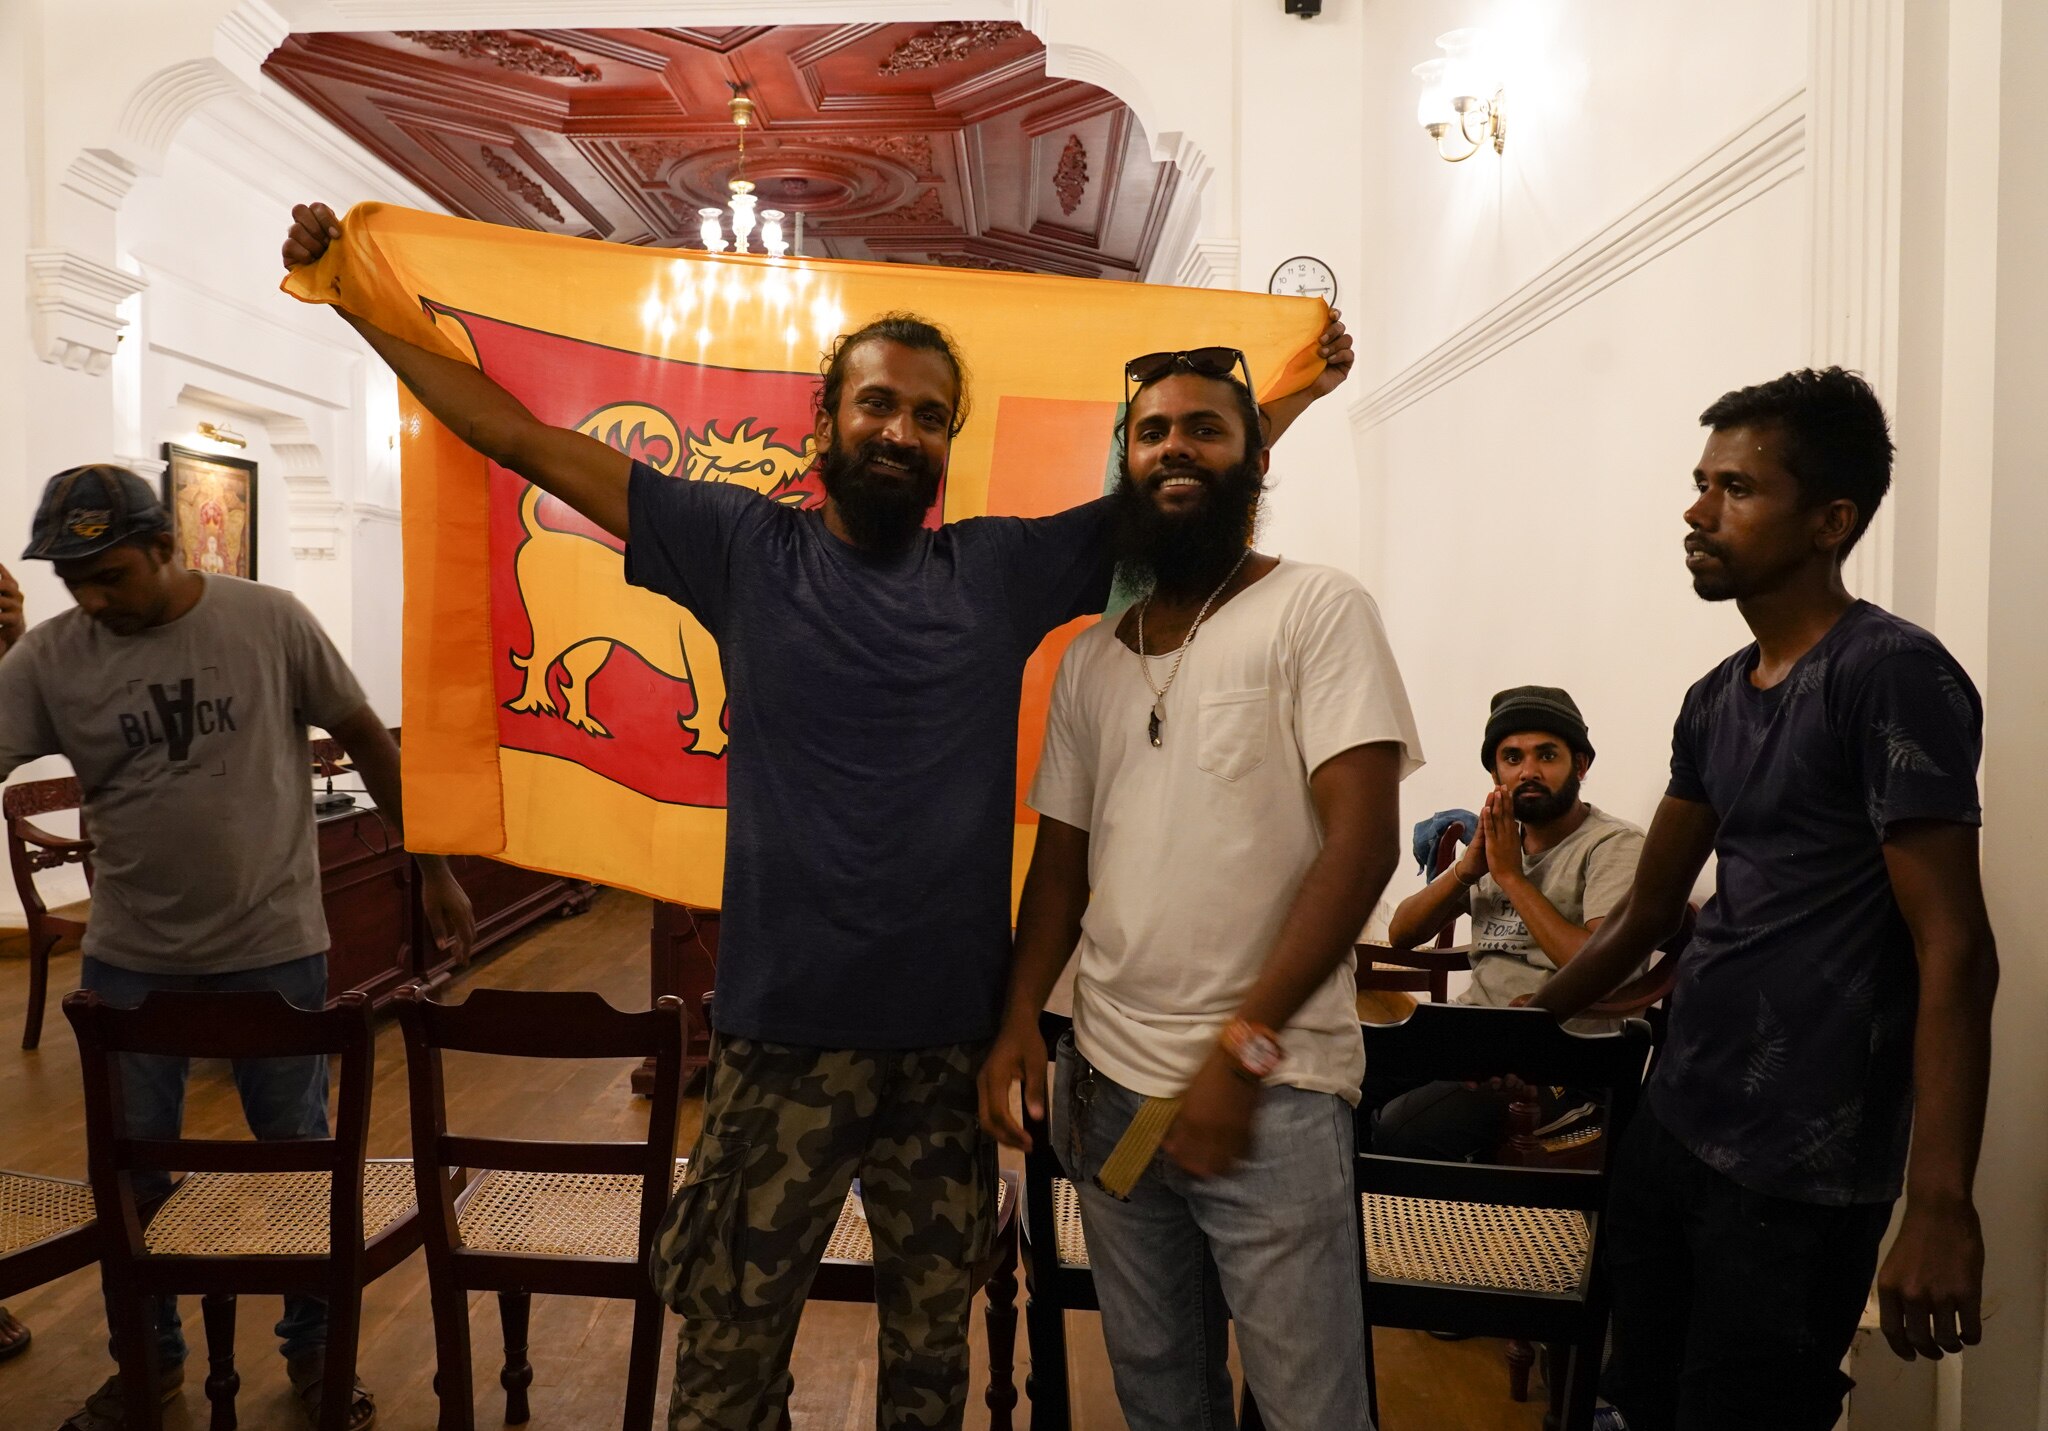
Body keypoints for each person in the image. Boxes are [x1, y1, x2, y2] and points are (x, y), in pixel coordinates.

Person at [281, 201, 1353, 1430]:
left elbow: (1186, 473)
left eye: (927, 414)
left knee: (928, 1378)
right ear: (828, 421)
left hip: (948, 1056)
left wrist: (1294, 396)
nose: (900, 430)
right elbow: (519, 438)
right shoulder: (739, 546)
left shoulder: (997, 569)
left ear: (950, 437)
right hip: (778, 1040)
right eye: (877, 405)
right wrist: (359, 300)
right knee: (727, 1373)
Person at [1530, 369, 1997, 1431]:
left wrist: (1936, 1203)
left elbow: (1954, 951)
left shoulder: (1890, 676)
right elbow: (1646, 915)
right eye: (1699, 484)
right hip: (1675, 1120)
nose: (1696, 513)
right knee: (1630, 1402)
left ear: (1829, 521)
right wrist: (1518, 1025)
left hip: (1800, 1171)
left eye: (1734, 489)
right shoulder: (1712, 700)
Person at [978, 346, 1419, 1429]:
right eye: (1151, 431)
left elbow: (1360, 848)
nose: (1174, 445)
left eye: (1204, 429)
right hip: (1108, 1092)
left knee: (1311, 1409)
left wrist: (1244, 1045)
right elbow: (1063, 864)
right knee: (1160, 1398)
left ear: (1254, 458)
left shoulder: (1317, 610)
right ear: (1124, 464)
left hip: (1269, 1099)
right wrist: (1017, 1021)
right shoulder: (1089, 658)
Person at [0, 465, 475, 1431]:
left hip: (274, 945)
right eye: (72, 579)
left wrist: (432, 868)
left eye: (113, 573)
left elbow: (367, 740)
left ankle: (316, 1354)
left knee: (302, 1161)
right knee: (129, 1171)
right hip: (131, 958)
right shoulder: (51, 658)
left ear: (169, 545)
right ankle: (149, 1363)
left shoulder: (271, 620)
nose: (93, 596)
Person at [1375, 685, 1643, 1161]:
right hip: (1473, 1037)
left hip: (1561, 1060)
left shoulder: (1612, 845)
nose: (1529, 772)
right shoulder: (1499, 845)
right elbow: (1403, 936)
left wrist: (1512, 878)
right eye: (1512, 758)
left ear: (1580, 766)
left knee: (1400, 1131)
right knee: (1344, 1081)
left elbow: (1603, 965)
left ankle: (1444, 1229)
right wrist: (1467, 870)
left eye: (1547, 755)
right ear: (1496, 772)